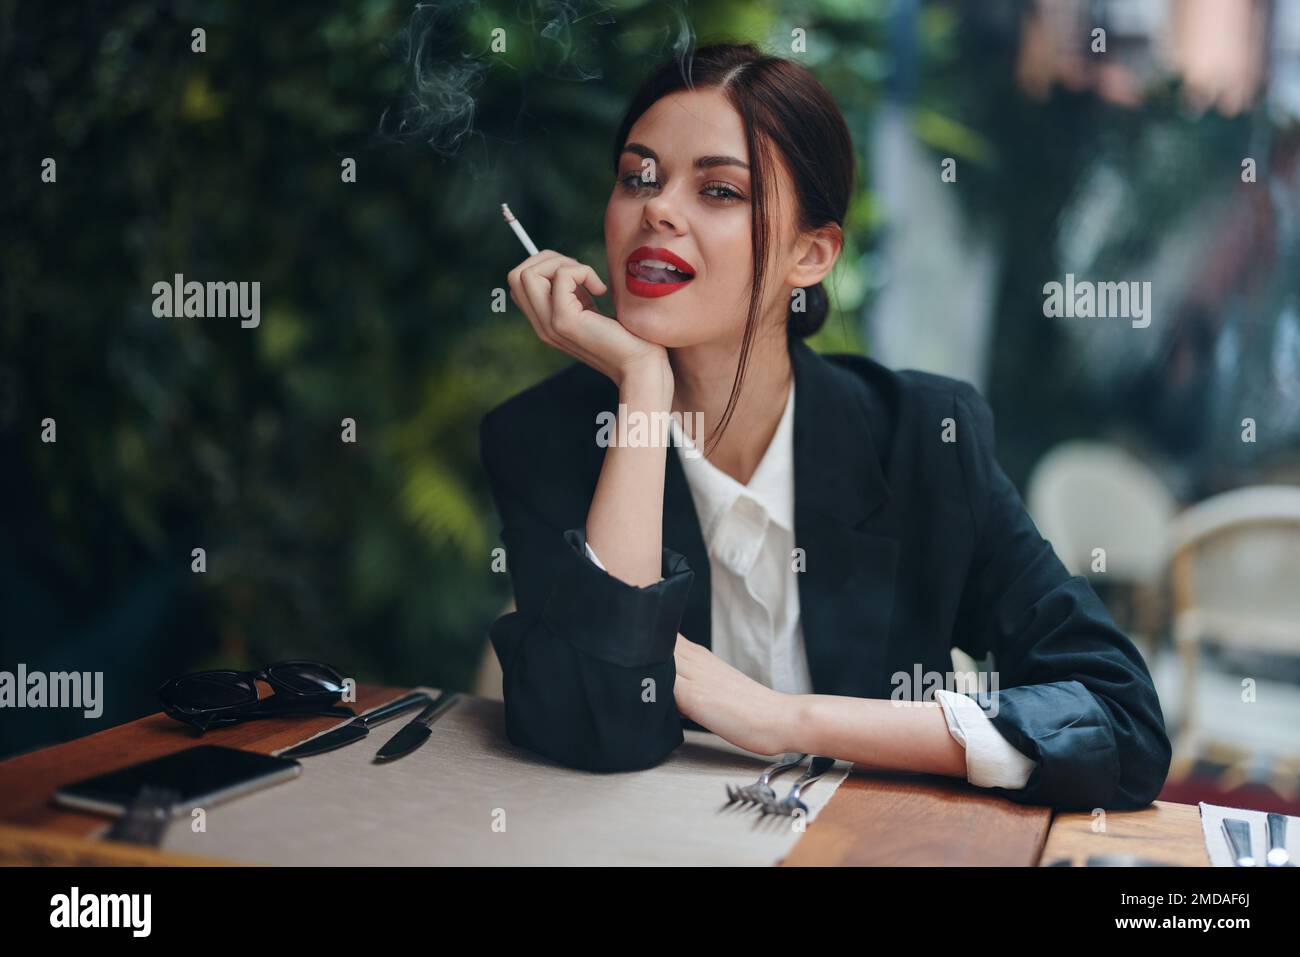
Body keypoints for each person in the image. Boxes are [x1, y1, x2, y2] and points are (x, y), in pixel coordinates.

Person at [479, 42, 1171, 810]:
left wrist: (787, 718)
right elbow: (589, 728)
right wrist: (643, 388)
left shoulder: (924, 438)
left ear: (811, 253)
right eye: (639, 177)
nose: (657, 209)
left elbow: (1122, 719)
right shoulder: (542, 438)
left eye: (718, 190)